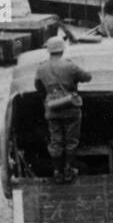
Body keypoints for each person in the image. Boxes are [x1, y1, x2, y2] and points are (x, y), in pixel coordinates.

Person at [34, 37, 93, 183]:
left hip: (52, 109)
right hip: (70, 109)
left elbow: (38, 87)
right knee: (71, 141)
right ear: (62, 49)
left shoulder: (41, 68)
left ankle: (57, 172)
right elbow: (88, 77)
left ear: (49, 51)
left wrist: (50, 96)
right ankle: (68, 170)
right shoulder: (70, 66)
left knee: (56, 141)